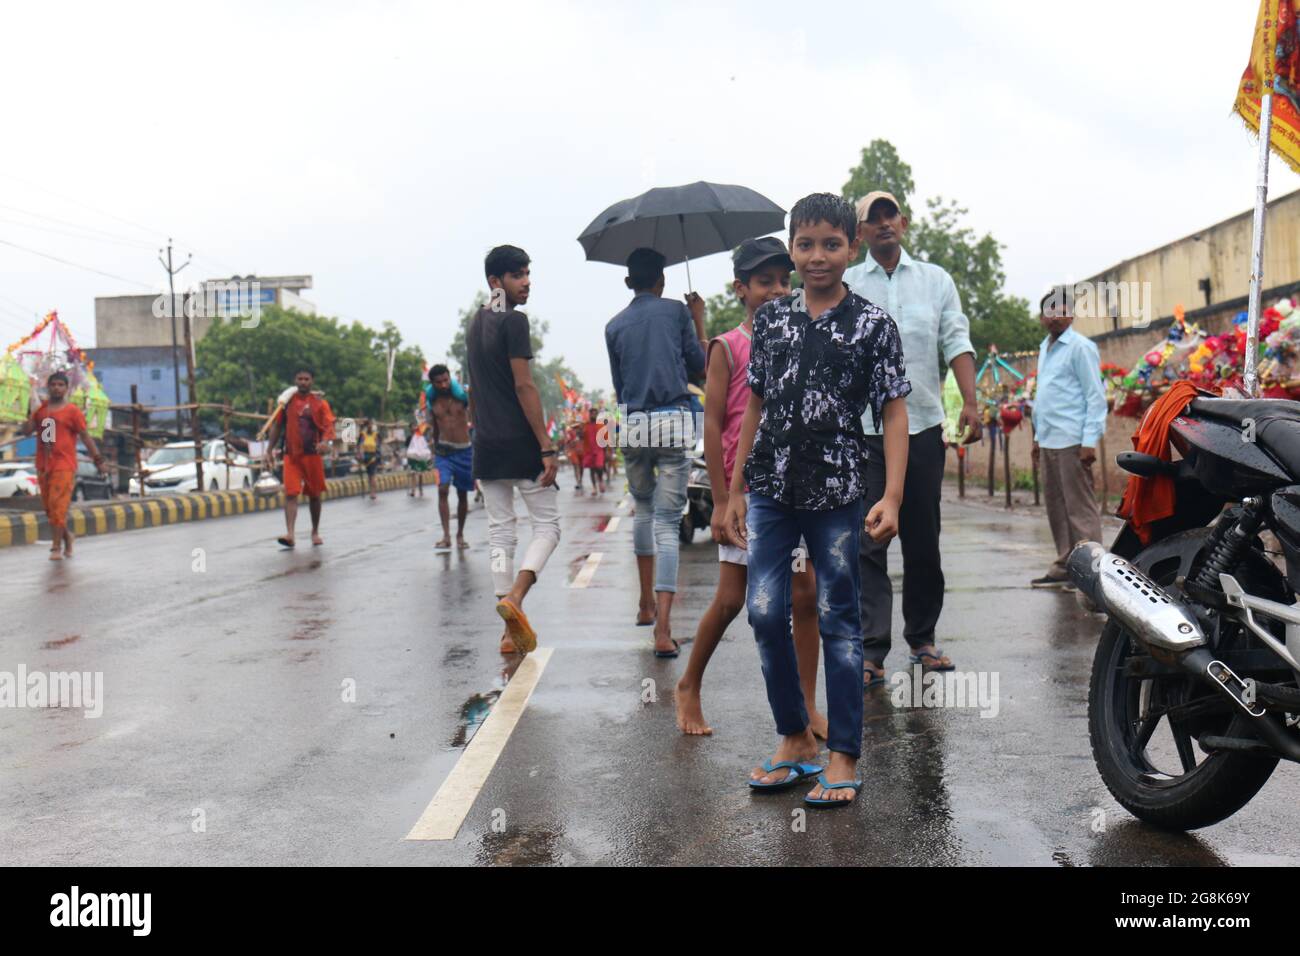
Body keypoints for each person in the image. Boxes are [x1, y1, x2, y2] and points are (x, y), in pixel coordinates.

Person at [723, 193, 911, 806]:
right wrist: (733, 491)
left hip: (836, 490)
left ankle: (843, 753)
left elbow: (892, 411)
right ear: (792, 248)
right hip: (771, 490)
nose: (817, 257)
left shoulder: (872, 325)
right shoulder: (772, 322)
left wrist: (893, 495)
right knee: (762, 611)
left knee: (838, 617)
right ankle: (795, 738)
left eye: (831, 244)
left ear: (850, 249)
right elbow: (754, 404)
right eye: (805, 245)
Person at [675, 238, 826, 738]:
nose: (778, 290)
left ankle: (805, 706)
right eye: (765, 282)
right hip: (747, 496)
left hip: (797, 488)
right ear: (741, 288)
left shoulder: (801, 337)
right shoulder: (728, 346)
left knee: (806, 595)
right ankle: (689, 684)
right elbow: (714, 425)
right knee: (731, 599)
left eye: (785, 281)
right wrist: (721, 501)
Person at [844, 190, 982, 684]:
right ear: (859, 233)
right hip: (861, 431)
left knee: (923, 539)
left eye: (890, 215)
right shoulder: (847, 283)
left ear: (903, 223)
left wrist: (970, 399)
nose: (883, 224)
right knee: (867, 540)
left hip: (923, 425)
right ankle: (870, 650)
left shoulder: (936, 281)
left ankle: (922, 638)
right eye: (872, 219)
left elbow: (956, 341)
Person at [604, 247, 708, 656]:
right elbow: (699, 366)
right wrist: (696, 315)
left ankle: (645, 604)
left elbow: (619, 386)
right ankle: (663, 630)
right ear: (662, 280)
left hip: (632, 423)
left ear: (629, 282)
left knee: (643, 512)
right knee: (667, 524)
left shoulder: (613, 327)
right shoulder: (676, 313)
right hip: (673, 420)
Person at [467, 245, 560, 655]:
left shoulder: (473, 324)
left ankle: (507, 633)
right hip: (519, 441)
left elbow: (474, 389)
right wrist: (546, 444)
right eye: (518, 275)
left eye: (527, 273)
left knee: (500, 532)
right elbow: (524, 385)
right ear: (495, 282)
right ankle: (516, 597)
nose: (526, 282)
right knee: (548, 527)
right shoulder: (515, 321)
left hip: (486, 443)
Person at [1030, 287, 1107, 587]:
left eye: (1061, 310)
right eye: (1049, 311)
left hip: (1073, 440)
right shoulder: (1044, 348)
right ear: (1041, 318)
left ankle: (1092, 570)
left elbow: (1095, 396)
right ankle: (1065, 564)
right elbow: (1045, 397)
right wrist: (1037, 438)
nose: (1055, 317)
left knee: (1080, 509)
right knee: (1057, 508)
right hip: (1049, 438)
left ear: (1071, 314)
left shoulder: (1080, 347)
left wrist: (1089, 440)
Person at [19, 371, 109, 560]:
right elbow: (27, 432)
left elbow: (85, 436)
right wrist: (29, 413)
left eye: (61, 385)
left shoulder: (72, 412)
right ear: (48, 387)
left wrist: (98, 460)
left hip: (64, 465)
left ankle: (55, 547)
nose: (56, 388)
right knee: (49, 508)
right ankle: (67, 537)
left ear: (66, 389)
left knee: (58, 505)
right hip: (44, 464)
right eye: (53, 384)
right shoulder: (42, 411)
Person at [264, 366, 335, 548]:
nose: (303, 382)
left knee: (315, 496)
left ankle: (315, 531)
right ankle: (290, 534)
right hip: (292, 456)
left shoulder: (320, 403)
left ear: (312, 381)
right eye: (300, 379)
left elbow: (328, 426)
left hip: (312, 456)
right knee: (290, 494)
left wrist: (325, 442)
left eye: (306, 379)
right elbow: (277, 427)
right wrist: (269, 450)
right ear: (295, 381)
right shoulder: (286, 402)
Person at [428, 363, 473, 551]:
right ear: (433, 383)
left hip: (464, 451)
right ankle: (446, 536)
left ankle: (460, 535)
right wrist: (433, 450)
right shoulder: (432, 403)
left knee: (462, 494)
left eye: (446, 380)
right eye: (439, 382)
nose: (444, 385)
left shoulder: (462, 398)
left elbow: (476, 415)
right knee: (442, 489)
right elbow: (435, 429)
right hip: (443, 453)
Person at [582, 406, 607, 495]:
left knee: (599, 467)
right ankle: (594, 488)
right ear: (589, 414)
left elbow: (605, 439)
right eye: (591, 413)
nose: (593, 414)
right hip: (588, 451)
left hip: (599, 450)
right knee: (592, 470)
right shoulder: (585, 425)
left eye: (595, 413)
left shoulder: (601, 425)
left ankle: (600, 480)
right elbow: (581, 437)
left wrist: (607, 452)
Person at [407, 422, 431, 497]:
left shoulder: (420, 436)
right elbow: (407, 448)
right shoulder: (409, 438)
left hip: (420, 457)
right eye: (412, 427)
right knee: (413, 473)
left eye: (414, 426)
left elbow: (424, 445)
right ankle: (413, 490)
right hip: (413, 457)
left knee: (420, 474)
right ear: (410, 429)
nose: (413, 428)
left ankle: (420, 488)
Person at [360, 419, 381, 500]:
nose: (370, 426)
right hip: (366, 457)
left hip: (374, 456)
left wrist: (378, 455)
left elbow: (378, 445)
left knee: (373, 475)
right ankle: (371, 491)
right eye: (368, 424)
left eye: (371, 424)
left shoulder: (376, 435)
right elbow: (361, 445)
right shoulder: (363, 435)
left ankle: (373, 493)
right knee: (369, 475)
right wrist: (360, 455)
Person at [564, 421, 584, 492]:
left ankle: (580, 480)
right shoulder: (569, 432)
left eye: (578, 427)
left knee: (581, 467)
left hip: (582, 451)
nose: (576, 429)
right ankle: (578, 482)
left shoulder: (582, 431)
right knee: (576, 466)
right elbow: (567, 443)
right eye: (575, 427)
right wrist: (567, 452)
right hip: (573, 451)